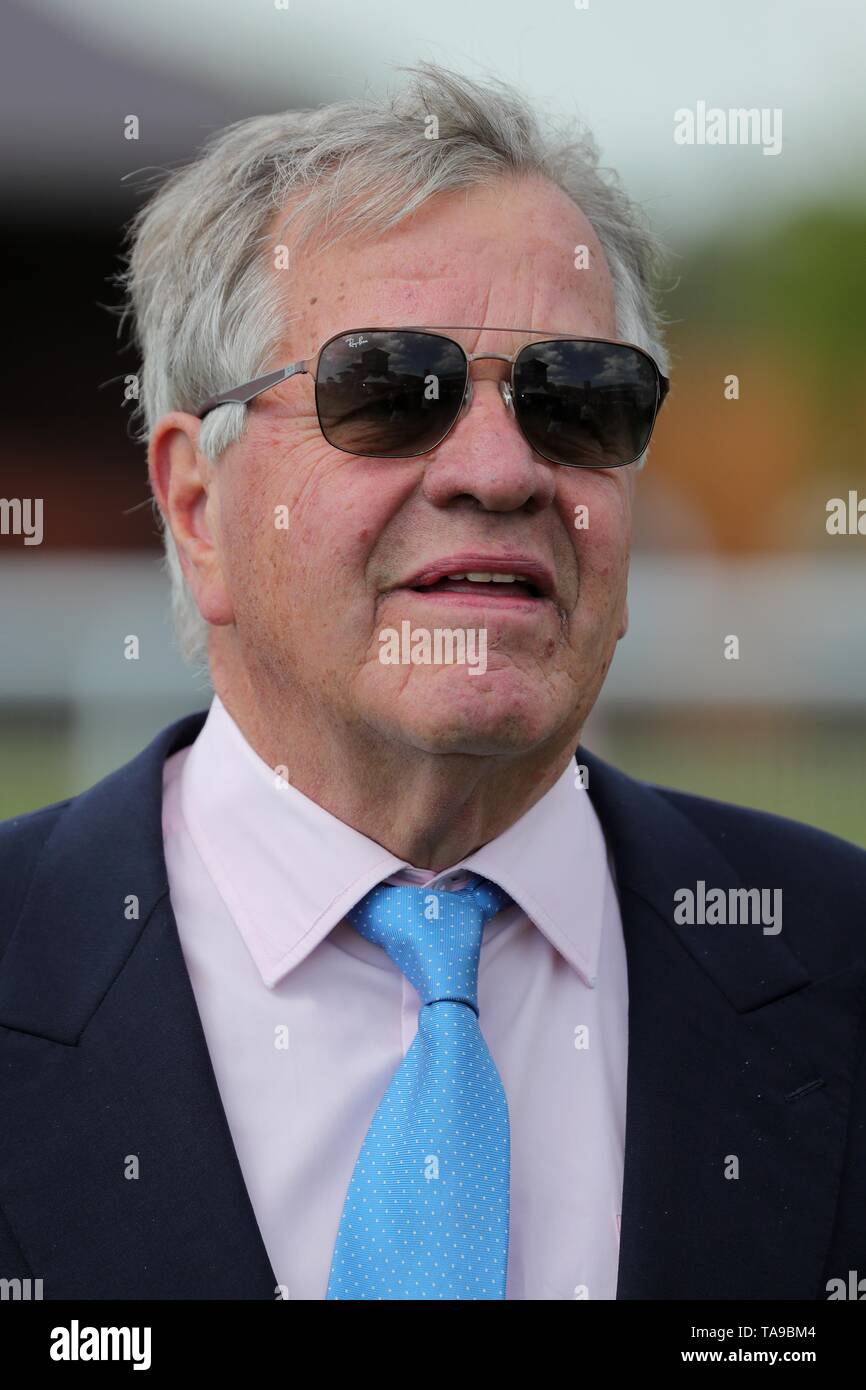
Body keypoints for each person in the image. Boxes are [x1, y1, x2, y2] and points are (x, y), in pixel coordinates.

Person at [1, 62, 863, 1302]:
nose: (500, 470)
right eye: (391, 392)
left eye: (576, 399)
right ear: (196, 505)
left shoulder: (833, 961)